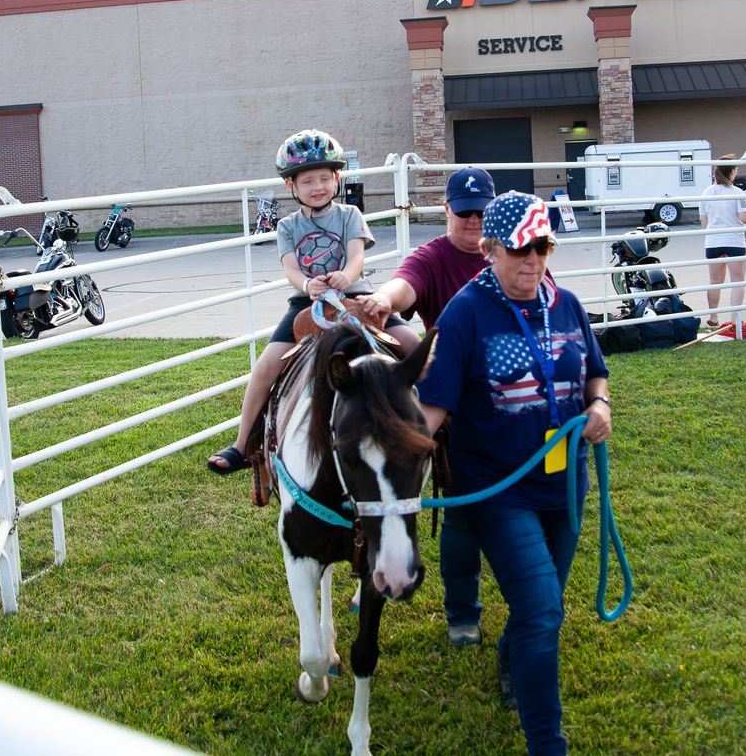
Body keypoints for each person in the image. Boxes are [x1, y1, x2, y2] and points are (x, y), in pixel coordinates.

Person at [415, 192, 610, 755]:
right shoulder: (465, 313)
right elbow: (433, 409)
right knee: (544, 609)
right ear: (490, 249)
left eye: (543, 248)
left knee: (537, 609)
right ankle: (548, 744)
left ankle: (511, 662)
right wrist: (394, 473)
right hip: (497, 491)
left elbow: (595, 373)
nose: (534, 261)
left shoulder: (566, 303)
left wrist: (600, 407)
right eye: (521, 250)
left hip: (567, 484)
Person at [206, 129, 405, 473]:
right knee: (266, 367)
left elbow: (357, 256)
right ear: (291, 187)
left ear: (337, 179)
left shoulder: (349, 215)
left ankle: (438, 422)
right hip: (307, 304)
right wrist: (308, 284)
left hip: (355, 296)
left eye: (325, 179)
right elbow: (291, 269)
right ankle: (242, 443)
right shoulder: (287, 226)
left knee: (411, 344)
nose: (318, 187)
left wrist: (346, 274)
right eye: (308, 180)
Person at [357, 165, 496, 647]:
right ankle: (462, 613)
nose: (474, 221)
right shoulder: (434, 257)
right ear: (447, 211)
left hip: (513, 399)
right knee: (460, 512)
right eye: (464, 213)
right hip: (459, 402)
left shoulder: (512, 253)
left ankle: (532, 602)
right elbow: (406, 284)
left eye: (482, 212)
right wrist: (381, 298)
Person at [698, 154, 746, 327]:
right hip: (734, 241)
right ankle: (734, 318)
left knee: (715, 281)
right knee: (737, 280)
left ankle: (713, 316)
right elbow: (744, 218)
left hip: (713, 241)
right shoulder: (737, 193)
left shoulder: (706, 192)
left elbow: (704, 222)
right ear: (731, 172)